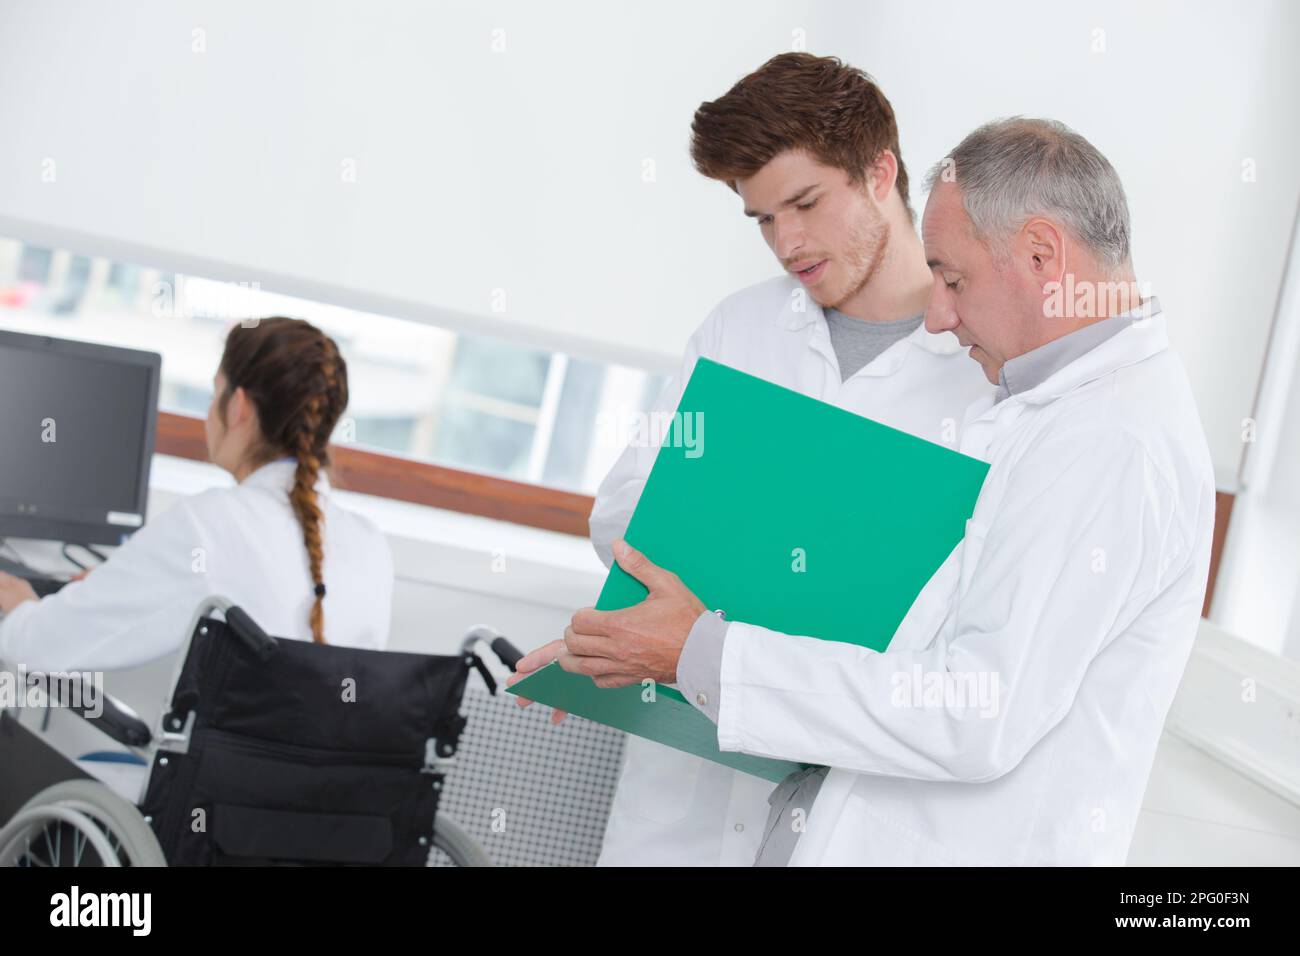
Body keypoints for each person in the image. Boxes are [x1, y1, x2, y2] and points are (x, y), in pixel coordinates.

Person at [537, 118, 1216, 866]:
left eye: (954, 281)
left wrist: (700, 654)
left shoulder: (1114, 442)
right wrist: (630, 643)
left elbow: (973, 710)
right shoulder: (1046, 407)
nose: (939, 315)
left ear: (1041, 253)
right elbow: (898, 627)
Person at [509, 53, 990, 866]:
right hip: (676, 799)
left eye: (804, 203)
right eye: (762, 219)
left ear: (881, 172)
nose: (786, 242)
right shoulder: (741, 330)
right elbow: (626, 503)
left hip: (836, 801)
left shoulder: (977, 375)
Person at [0, 317, 394, 672]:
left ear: (237, 406)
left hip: (214, 755)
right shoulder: (372, 546)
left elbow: (43, 648)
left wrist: (21, 606)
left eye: (214, 392)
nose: (209, 412)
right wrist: (116, 582)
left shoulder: (208, 525)